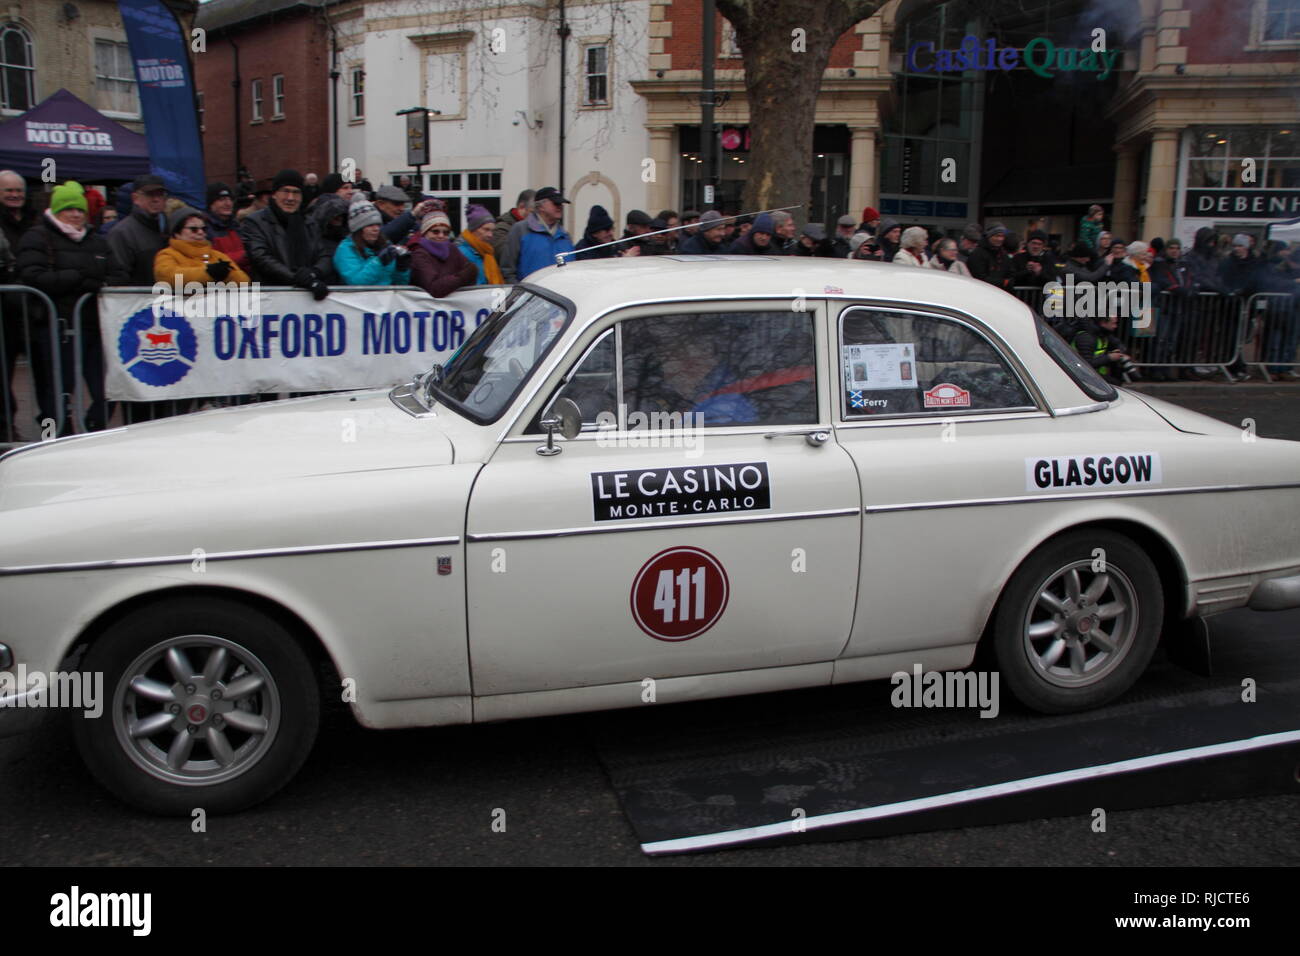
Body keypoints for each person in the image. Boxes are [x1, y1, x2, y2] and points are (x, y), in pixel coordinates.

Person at [16, 181, 126, 433]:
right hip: (57, 327)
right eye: (69, 209)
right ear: (55, 211)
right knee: (59, 390)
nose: (76, 214)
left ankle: (93, 428)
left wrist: (97, 282)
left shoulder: (97, 241)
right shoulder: (38, 237)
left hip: (95, 327)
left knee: (106, 389)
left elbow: (119, 275)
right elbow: (32, 276)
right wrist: (77, 278)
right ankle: (60, 435)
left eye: (80, 210)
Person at [239, 169, 334, 297]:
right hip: (270, 299)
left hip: (307, 299)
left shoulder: (310, 223)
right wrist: (299, 279)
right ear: (274, 194)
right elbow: (261, 258)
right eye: (285, 191)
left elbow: (324, 255)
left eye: (296, 193)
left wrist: (313, 273)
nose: (291, 198)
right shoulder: (255, 222)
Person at [154, 206, 251, 287]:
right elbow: (167, 276)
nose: (201, 232)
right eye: (194, 229)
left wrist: (227, 274)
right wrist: (208, 273)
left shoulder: (217, 255)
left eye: (204, 228)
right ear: (176, 233)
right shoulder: (166, 255)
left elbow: (244, 281)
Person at [499, 186, 574, 281]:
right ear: (540, 206)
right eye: (556, 203)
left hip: (559, 293)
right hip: (530, 293)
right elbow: (507, 270)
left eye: (561, 204)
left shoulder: (565, 236)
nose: (560, 207)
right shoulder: (520, 230)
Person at [107, 173, 169, 285]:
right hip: (140, 300)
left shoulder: (173, 227)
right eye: (149, 194)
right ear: (135, 198)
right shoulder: (122, 233)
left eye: (160, 194)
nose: (156, 199)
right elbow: (118, 277)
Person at [333, 199, 412, 286]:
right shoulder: (345, 249)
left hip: (386, 297)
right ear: (358, 229)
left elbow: (400, 284)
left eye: (378, 225)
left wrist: (402, 269)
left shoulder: (385, 244)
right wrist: (379, 262)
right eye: (370, 225)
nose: (376, 229)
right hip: (360, 298)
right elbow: (355, 282)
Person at [410, 210, 478, 297]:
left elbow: (470, 278)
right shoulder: (419, 254)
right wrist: (462, 277)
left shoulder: (452, 249)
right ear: (425, 233)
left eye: (446, 233)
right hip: (428, 308)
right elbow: (434, 288)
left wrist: (470, 273)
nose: (441, 236)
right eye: (435, 231)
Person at [1073, 312, 1137, 384]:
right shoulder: (1086, 338)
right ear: (1103, 323)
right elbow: (1085, 364)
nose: (1115, 326)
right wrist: (1109, 357)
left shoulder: (1103, 334)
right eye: (1113, 323)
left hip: (1095, 374)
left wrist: (1120, 353)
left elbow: (1118, 344)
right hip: (1080, 376)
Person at [204, 182, 250, 276]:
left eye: (230, 199)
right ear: (211, 204)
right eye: (222, 199)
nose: (228, 203)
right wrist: (244, 256)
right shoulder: (203, 229)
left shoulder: (237, 227)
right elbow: (211, 260)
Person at [456, 204, 505, 283]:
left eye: (492, 231)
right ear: (473, 229)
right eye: (486, 229)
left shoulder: (486, 251)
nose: (490, 235)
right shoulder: (461, 253)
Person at [308, 192, 351, 264]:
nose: (340, 220)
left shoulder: (348, 238)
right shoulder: (311, 237)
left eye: (342, 217)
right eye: (335, 217)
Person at [967, 225, 1013, 289]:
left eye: (1002, 236)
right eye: (997, 236)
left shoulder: (1003, 254)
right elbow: (979, 277)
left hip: (1000, 292)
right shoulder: (978, 253)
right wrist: (1003, 282)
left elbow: (1009, 272)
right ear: (989, 236)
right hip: (982, 290)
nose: (1000, 239)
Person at [493, 189, 535, 257]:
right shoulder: (502, 227)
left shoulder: (536, 227)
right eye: (533, 212)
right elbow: (504, 253)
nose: (537, 217)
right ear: (521, 206)